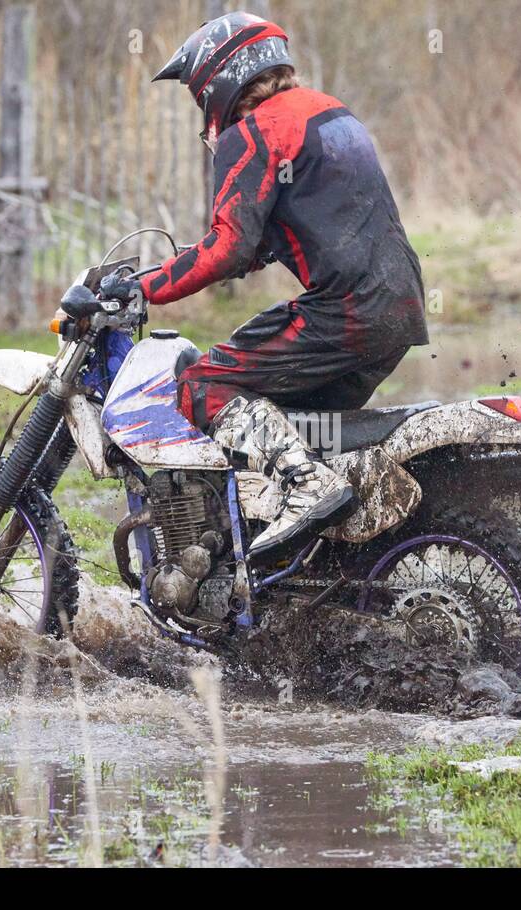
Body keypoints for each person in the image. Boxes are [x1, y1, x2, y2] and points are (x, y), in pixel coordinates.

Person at [101, 11, 426, 561]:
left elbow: (227, 244)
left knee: (205, 385)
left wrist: (144, 287)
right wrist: (207, 260)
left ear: (219, 78)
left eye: (198, 92)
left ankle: (304, 486)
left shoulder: (255, 130)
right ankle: (305, 569)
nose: (202, 107)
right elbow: (292, 228)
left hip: (345, 312)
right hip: (400, 306)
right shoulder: (329, 112)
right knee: (301, 427)